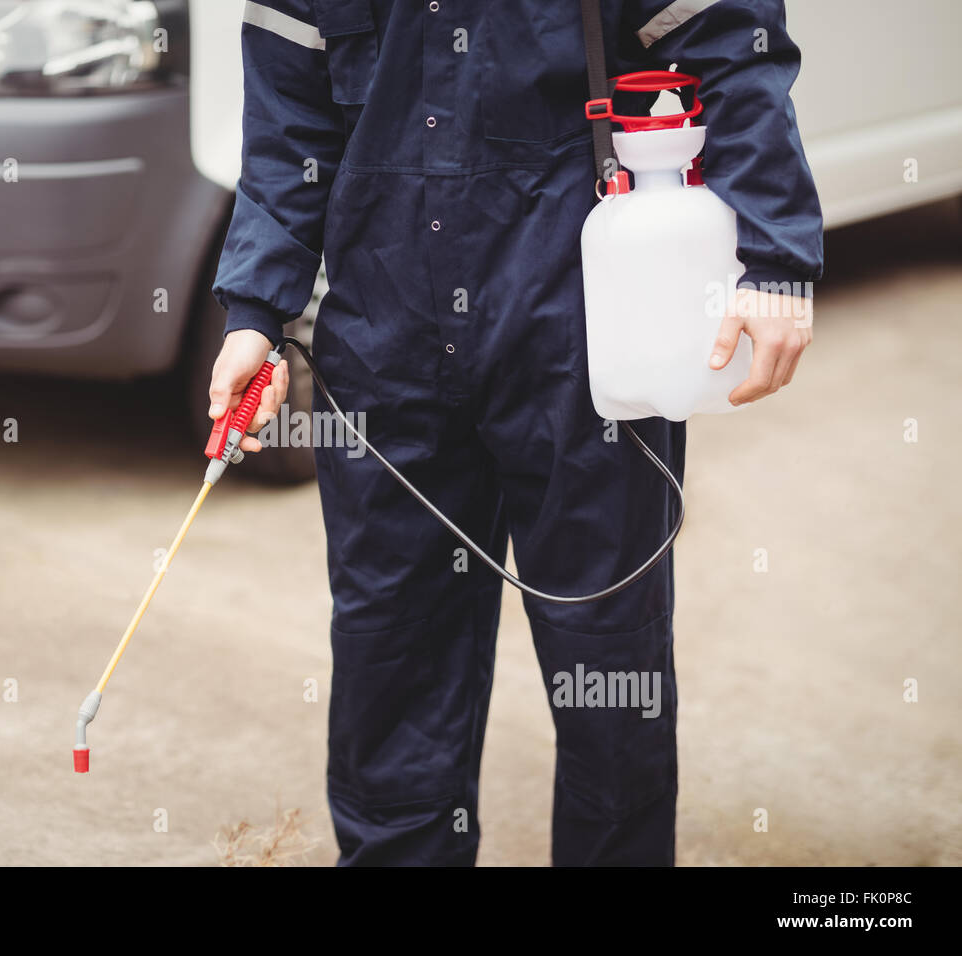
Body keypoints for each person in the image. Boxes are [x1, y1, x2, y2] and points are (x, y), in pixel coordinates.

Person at [208, 0, 821, 866]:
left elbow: (730, 44)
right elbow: (288, 125)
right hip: (385, 351)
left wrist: (775, 256)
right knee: (392, 657)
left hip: (586, 341)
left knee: (610, 672)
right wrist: (256, 316)